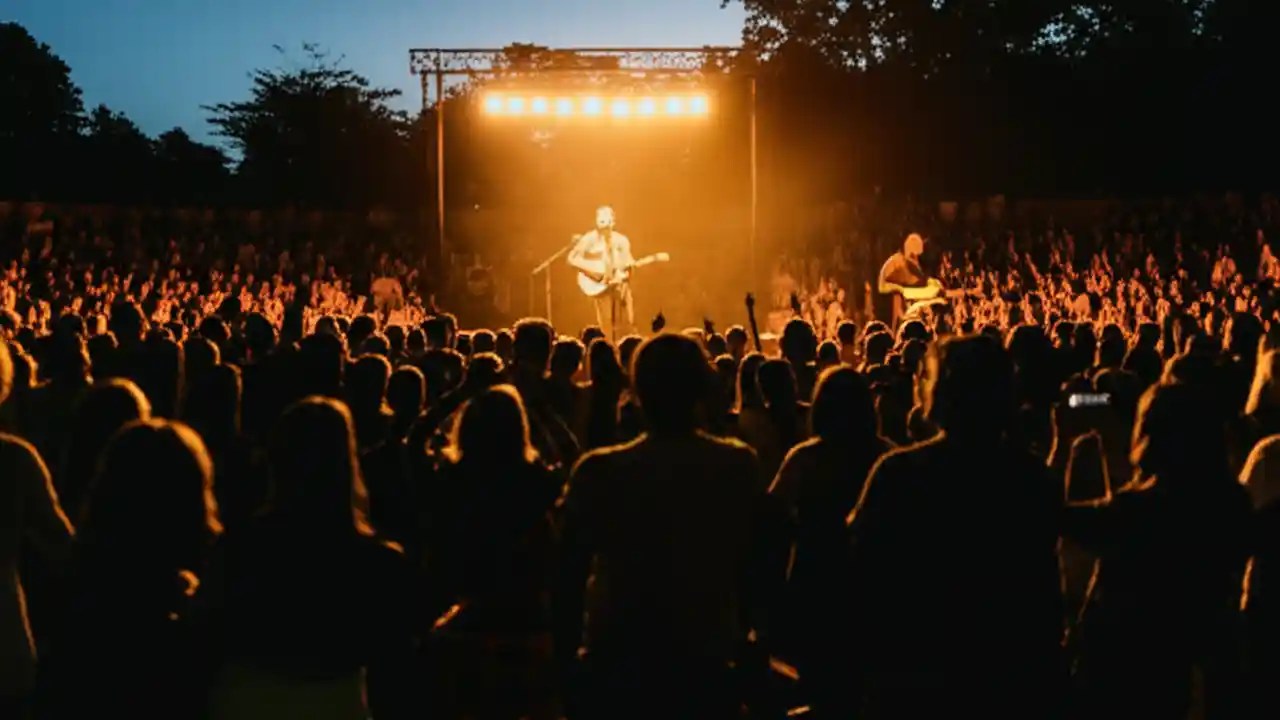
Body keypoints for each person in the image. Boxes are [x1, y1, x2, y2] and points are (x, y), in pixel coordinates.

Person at [845, 335, 1065, 718]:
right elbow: (1043, 591)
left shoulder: (898, 474)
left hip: (916, 677)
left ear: (939, 392)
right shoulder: (1032, 478)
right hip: (1008, 679)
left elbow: (859, 573)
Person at [555, 333, 764, 719]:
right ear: (701, 388)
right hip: (703, 658)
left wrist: (567, 667)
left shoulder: (598, 472)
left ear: (636, 390)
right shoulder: (737, 466)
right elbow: (755, 567)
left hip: (617, 660)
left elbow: (567, 579)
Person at [568, 206, 636, 338]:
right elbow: (572, 258)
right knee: (606, 324)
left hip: (619, 286)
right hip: (600, 286)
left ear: (613, 221)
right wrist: (592, 272)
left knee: (627, 322)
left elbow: (628, 264)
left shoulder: (621, 240)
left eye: (608, 221)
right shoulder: (589, 239)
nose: (605, 226)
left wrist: (625, 276)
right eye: (602, 221)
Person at [875, 233, 930, 327]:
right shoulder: (899, 262)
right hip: (892, 287)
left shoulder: (907, 261)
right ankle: (900, 320)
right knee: (899, 294)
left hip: (897, 288)